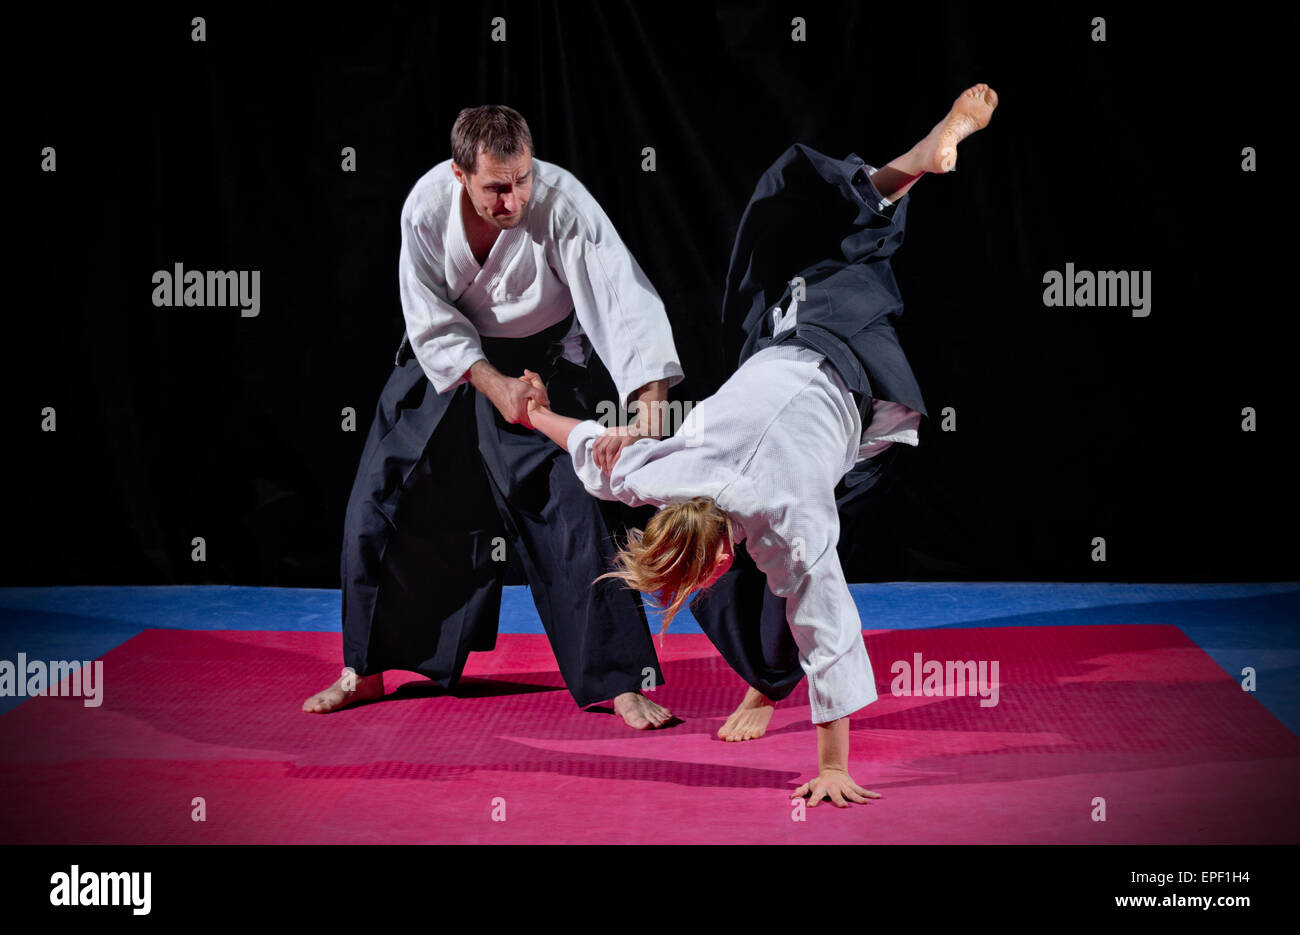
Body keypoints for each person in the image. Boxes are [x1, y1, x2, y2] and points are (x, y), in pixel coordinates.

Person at [521, 84, 998, 804]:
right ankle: (910, 167)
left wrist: (834, 766)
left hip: (848, 379)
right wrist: (537, 418)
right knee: (829, 241)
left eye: (703, 568)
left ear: (715, 544)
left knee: (847, 240)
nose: (705, 577)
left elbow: (828, 627)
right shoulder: (669, 469)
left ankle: (922, 157)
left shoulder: (785, 517)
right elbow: (598, 458)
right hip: (791, 342)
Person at [304, 105, 686, 729]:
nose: (514, 198)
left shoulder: (563, 204)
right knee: (380, 496)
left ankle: (621, 681)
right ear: (460, 175)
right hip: (452, 363)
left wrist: (647, 409)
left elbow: (622, 300)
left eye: (523, 180)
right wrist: (490, 382)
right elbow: (428, 317)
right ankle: (364, 669)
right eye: (496, 187)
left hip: (541, 362)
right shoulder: (424, 208)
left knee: (573, 505)